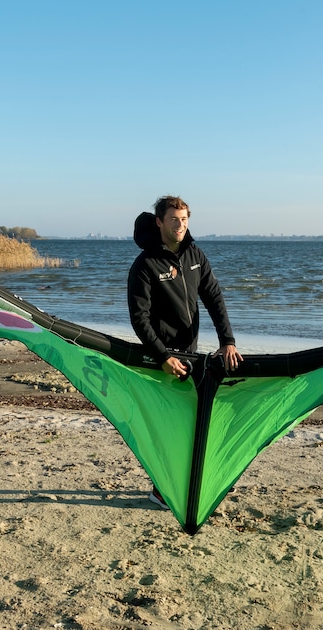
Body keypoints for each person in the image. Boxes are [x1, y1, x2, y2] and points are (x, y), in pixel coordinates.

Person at [128, 195, 244, 508]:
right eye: (174, 220)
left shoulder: (195, 254)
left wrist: (227, 341)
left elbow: (214, 298)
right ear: (159, 222)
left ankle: (188, 482)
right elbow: (139, 318)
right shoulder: (145, 265)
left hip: (190, 353)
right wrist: (162, 356)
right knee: (170, 425)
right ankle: (161, 490)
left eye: (184, 220)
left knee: (193, 420)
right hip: (161, 356)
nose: (180, 226)